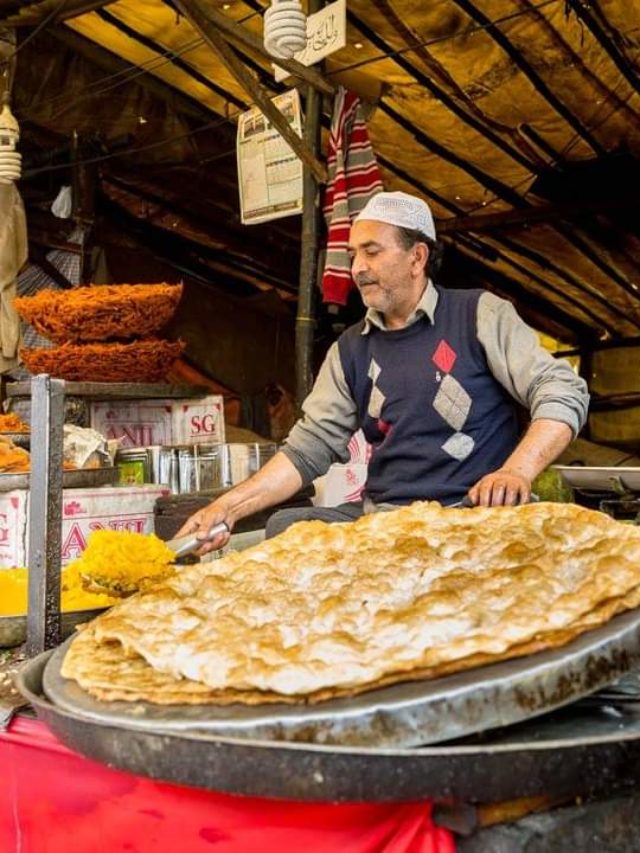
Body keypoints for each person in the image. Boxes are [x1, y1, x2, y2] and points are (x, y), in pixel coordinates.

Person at [178, 191, 589, 553]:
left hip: (471, 516)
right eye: (353, 254)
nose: (357, 267)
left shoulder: (478, 314)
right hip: (385, 522)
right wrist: (226, 508)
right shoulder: (351, 349)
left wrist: (515, 472)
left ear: (417, 257)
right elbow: (309, 447)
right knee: (286, 526)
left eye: (372, 252)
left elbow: (562, 391)